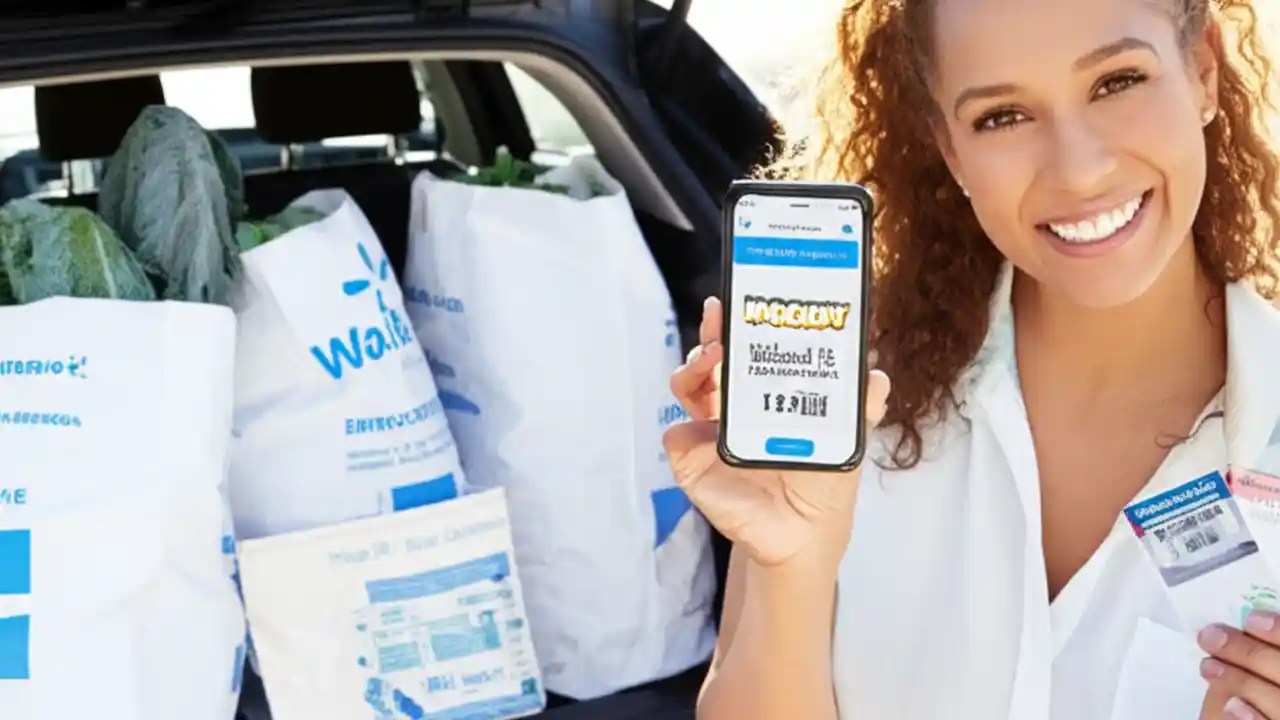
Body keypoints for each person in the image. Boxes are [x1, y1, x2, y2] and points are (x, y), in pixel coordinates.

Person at [664, 0, 1280, 718]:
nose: (1078, 171)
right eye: (1002, 117)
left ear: (1203, 69)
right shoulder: (845, 411)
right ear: (949, 147)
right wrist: (791, 565)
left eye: (1117, 82)